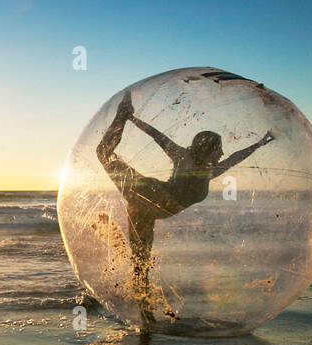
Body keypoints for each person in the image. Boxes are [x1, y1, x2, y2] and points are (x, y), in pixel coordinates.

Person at [97, 90, 273, 327]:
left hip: (148, 209)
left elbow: (236, 157)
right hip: (146, 193)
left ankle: (146, 317)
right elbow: (158, 136)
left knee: (141, 261)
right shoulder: (183, 157)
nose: (221, 153)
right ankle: (123, 113)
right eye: (218, 148)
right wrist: (132, 120)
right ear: (208, 148)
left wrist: (260, 143)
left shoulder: (210, 171)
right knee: (103, 153)